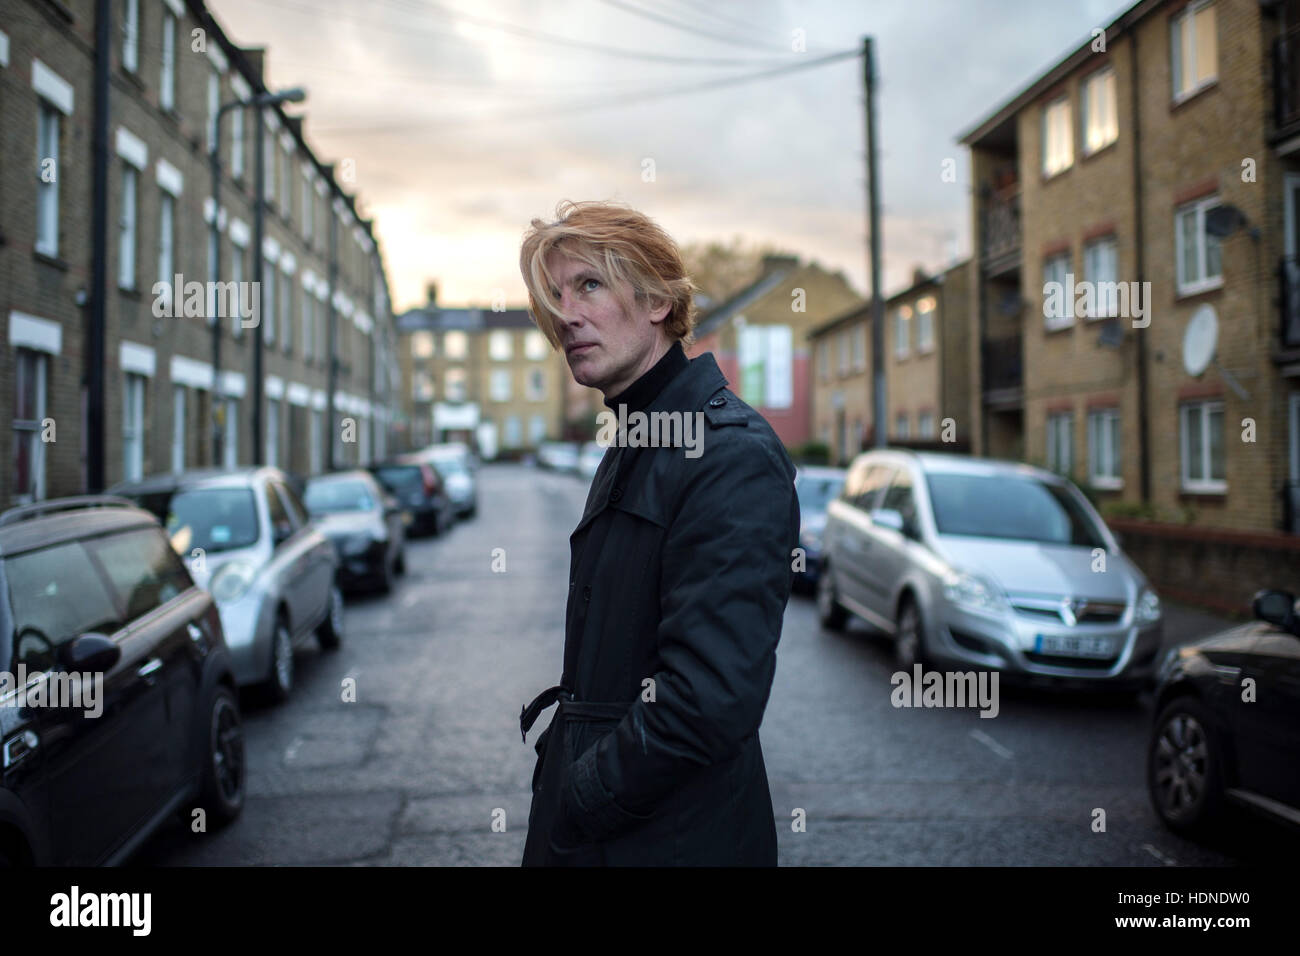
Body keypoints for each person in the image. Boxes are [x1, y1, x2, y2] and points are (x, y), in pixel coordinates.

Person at [516, 200, 800, 866]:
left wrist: (584, 792)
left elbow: (708, 700)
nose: (566, 314)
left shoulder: (729, 455)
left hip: (669, 842)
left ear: (657, 302)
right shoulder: (636, 437)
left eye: (589, 284)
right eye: (555, 296)